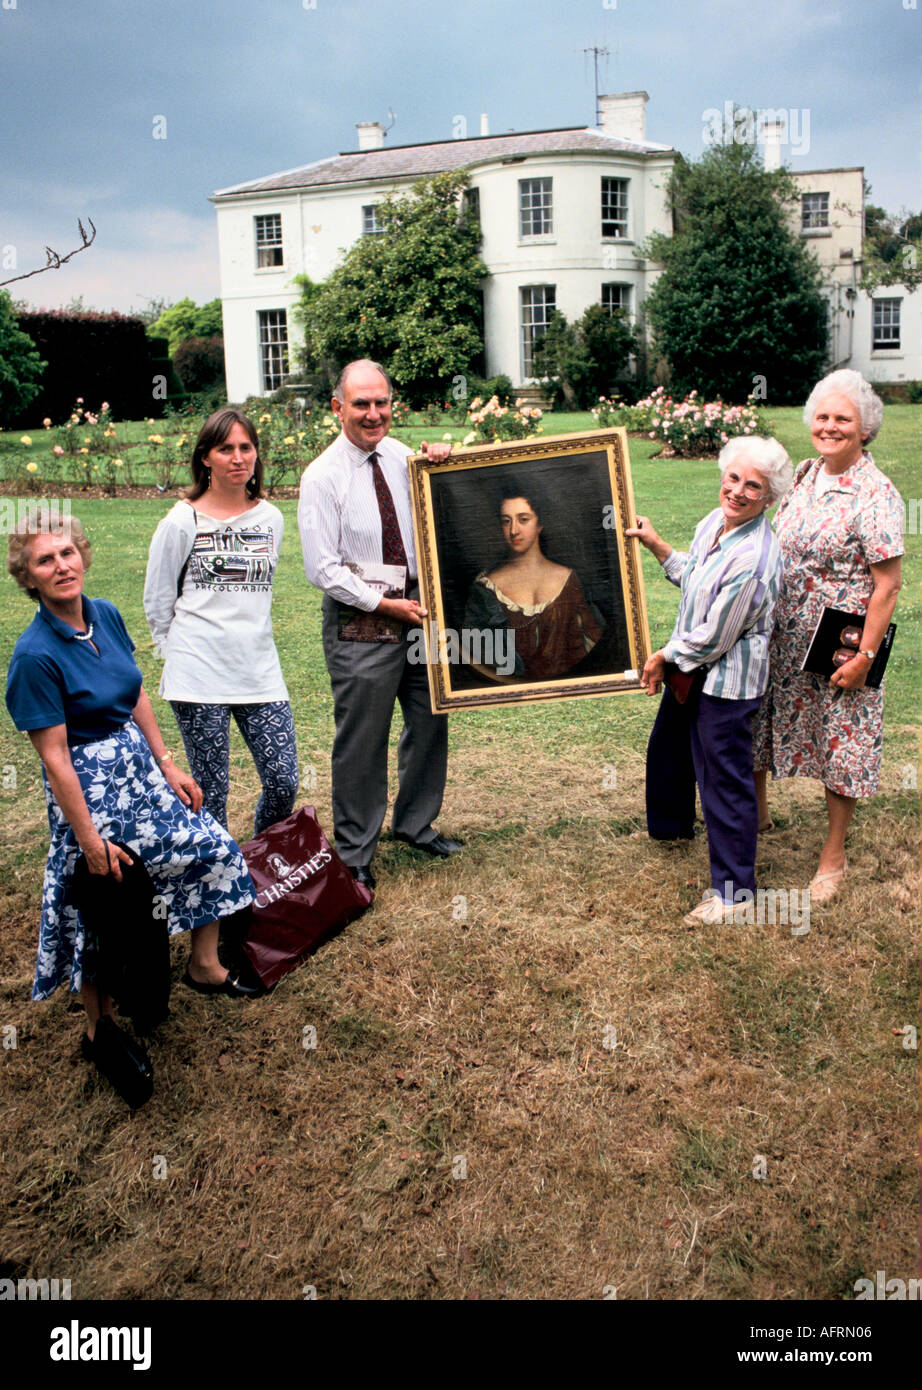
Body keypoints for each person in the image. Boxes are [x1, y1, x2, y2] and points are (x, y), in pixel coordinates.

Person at [5, 521, 259, 1104]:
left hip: (137, 767)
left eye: (67, 552)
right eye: (45, 561)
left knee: (209, 847)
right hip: (89, 790)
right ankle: (99, 1028)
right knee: (105, 900)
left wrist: (166, 760)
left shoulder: (105, 614)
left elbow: (136, 691)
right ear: (30, 578)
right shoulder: (34, 657)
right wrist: (88, 839)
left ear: (82, 556)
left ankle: (204, 966)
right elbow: (55, 760)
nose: (62, 565)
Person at [298, 359, 460, 890]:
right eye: (361, 404)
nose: (373, 414)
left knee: (429, 717)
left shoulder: (403, 458)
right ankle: (356, 848)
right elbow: (321, 568)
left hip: (419, 612)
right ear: (337, 407)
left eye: (381, 402)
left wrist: (441, 461)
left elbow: (441, 509)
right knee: (363, 735)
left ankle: (416, 824)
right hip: (361, 620)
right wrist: (382, 604)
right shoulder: (322, 477)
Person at [626, 436, 791, 926]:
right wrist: (658, 547)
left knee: (724, 781)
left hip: (725, 685)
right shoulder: (713, 524)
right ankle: (673, 831)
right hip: (690, 673)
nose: (738, 491)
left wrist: (663, 657)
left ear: (769, 497)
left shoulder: (756, 559)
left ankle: (735, 893)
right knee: (670, 750)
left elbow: (716, 637)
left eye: (753, 486)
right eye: (734, 478)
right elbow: (694, 577)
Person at [753, 371, 903, 903]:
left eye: (843, 419)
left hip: (838, 641)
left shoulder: (876, 493)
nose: (830, 426)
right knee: (763, 718)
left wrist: (864, 655)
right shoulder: (805, 474)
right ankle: (758, 815)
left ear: (865, 430)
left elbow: (887, 585)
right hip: (782, 629)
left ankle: (833, 855)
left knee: (842, 741)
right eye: (822, 416)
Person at [144, 408, 299, 837]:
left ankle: (262, 860)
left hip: (258, 671)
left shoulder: (271, 519)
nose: (237, 457)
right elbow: (158, 599)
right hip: (198, 671)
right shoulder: (182, 520)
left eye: (245, 447)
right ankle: (220, 880)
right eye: (225, 448)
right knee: (211, 791)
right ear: (205, 458)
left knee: (283, 779)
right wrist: (175, 653)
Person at [463, 487, 604, 682]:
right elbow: (476, 656)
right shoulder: (486, 588)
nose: (513, 530)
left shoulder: (568, 579)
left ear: (540, 524)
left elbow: (592, 645)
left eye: (523, 519)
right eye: (506, 521)